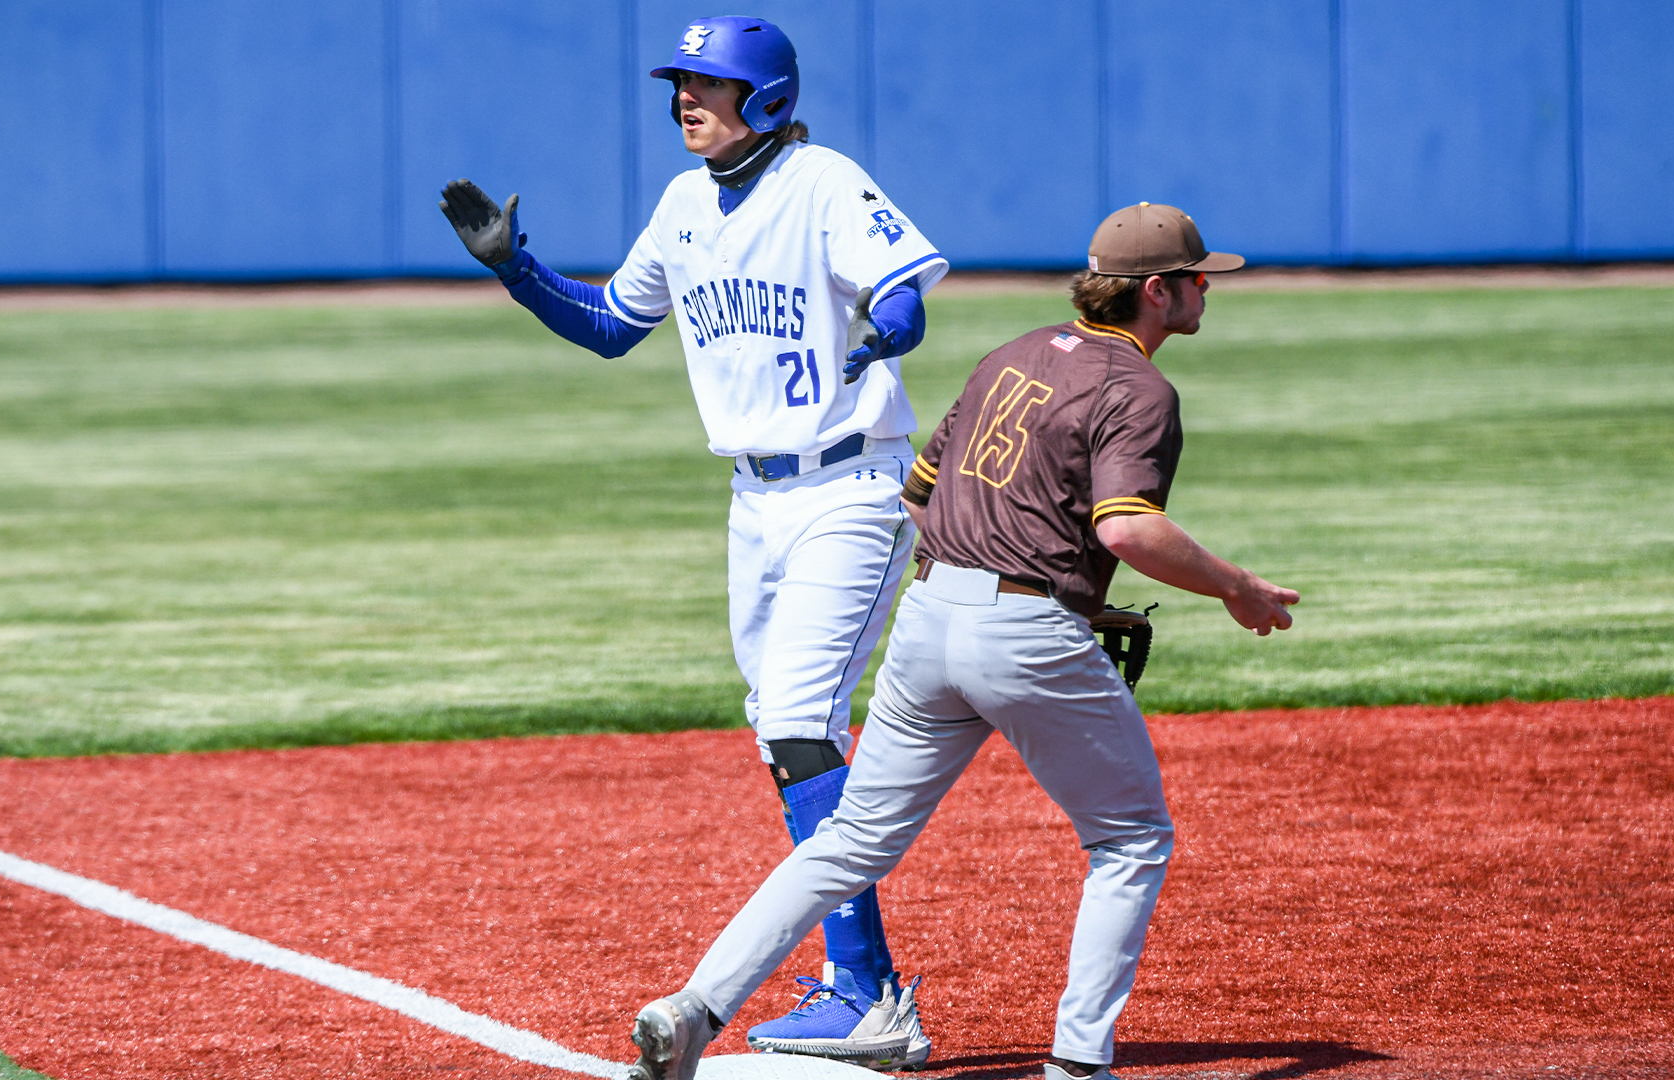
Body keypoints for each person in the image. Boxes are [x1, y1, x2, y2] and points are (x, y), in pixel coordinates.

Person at [623, 203, 1300, 1080]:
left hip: (929, 619)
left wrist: (1007, 583)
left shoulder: (1011, 354)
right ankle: (1078, 1065)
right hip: (1026, 634)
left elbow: (918, 494)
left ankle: (694, 1008)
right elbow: (1128, 530)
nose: (1208, 290)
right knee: (1129, 839)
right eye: (1199, 278)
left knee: (851, 842)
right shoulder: (1141, 389)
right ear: (1157, 293)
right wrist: (1238, 589)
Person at [437, 15, 946, 1070]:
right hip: (752, 503)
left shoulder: (821, 180)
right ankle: (858, 985)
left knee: (802, 721)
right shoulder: (681, 204)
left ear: (764, 99)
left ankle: (868, 994)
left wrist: (891, 321)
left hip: (849, 484)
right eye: (680, 83)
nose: (685, 99)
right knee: (782, 732)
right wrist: (518, 273)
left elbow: (903, 286)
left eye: (707, 85)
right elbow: (615, 327)